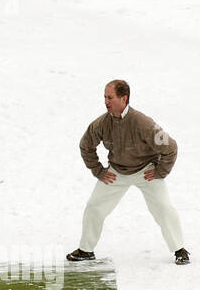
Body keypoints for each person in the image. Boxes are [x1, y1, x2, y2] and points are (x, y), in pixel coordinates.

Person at [68, 79, 189, 266]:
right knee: (94, 207)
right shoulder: (101, 123)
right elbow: (86, 146)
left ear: (124, 98)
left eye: (110, 97)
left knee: (163, 208)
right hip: (116, 172)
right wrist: (99, 171)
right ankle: (85, 250)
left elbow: (170, 147)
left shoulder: (143, 123)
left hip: (146, 171)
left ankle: (180, 250)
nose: (106, 101)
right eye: (104, 97)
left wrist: (160, 172)